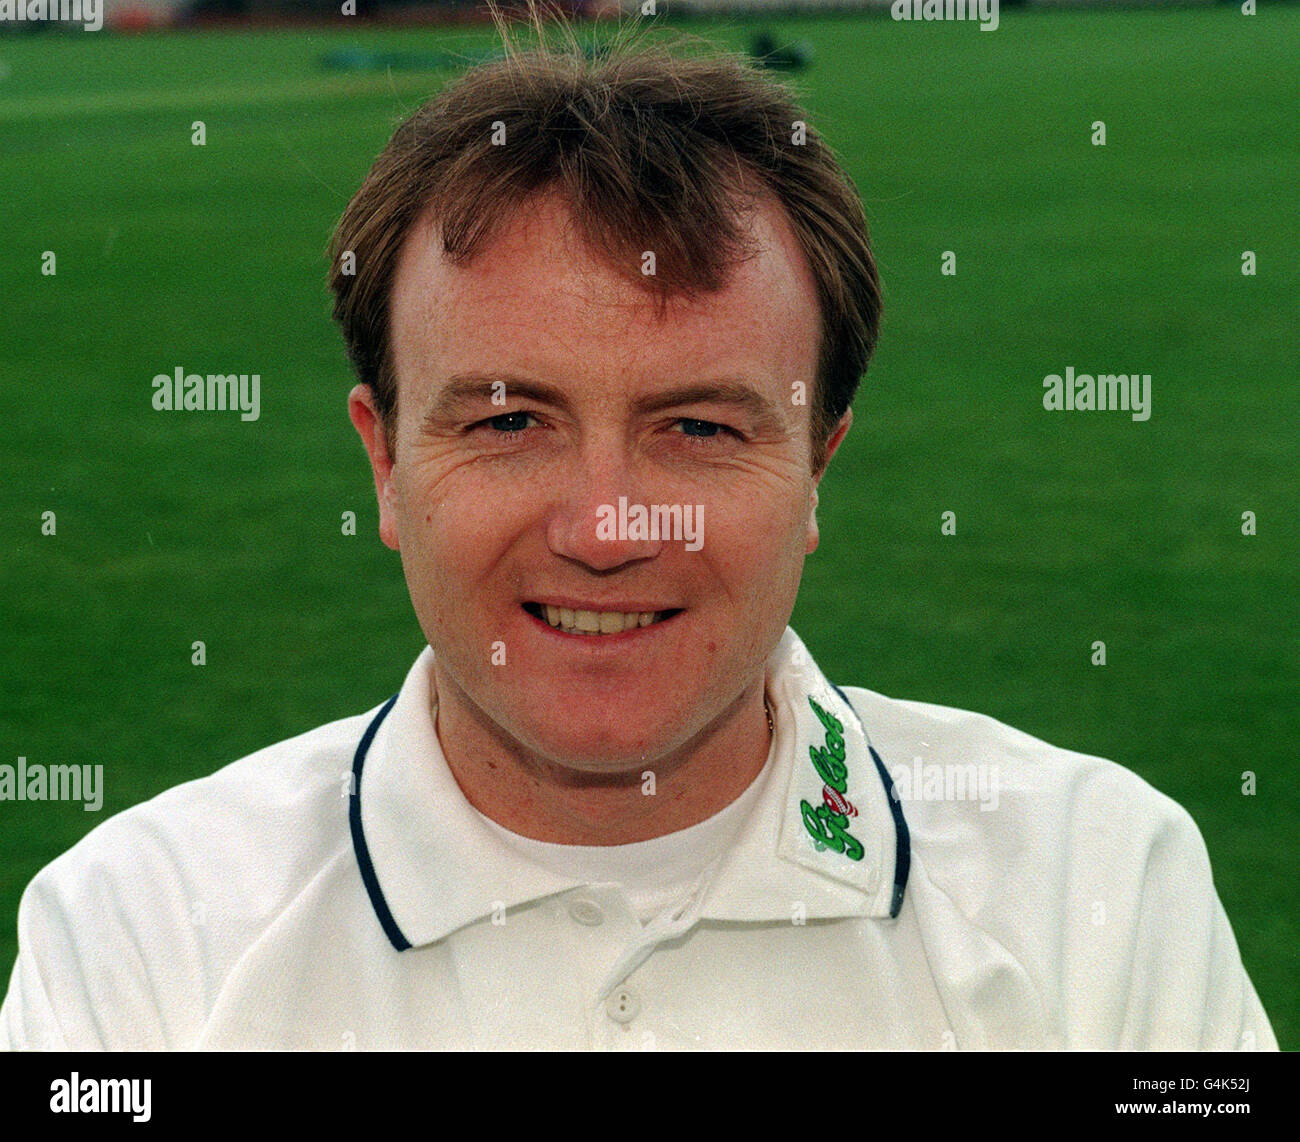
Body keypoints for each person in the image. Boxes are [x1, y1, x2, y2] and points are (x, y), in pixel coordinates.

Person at [0, 19, 1276, 1051]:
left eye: (702, 430)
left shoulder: (1098, 888)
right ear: (383, 460)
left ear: (818, 464)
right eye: (507, 423)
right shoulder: (135, 936)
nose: (608, 526)